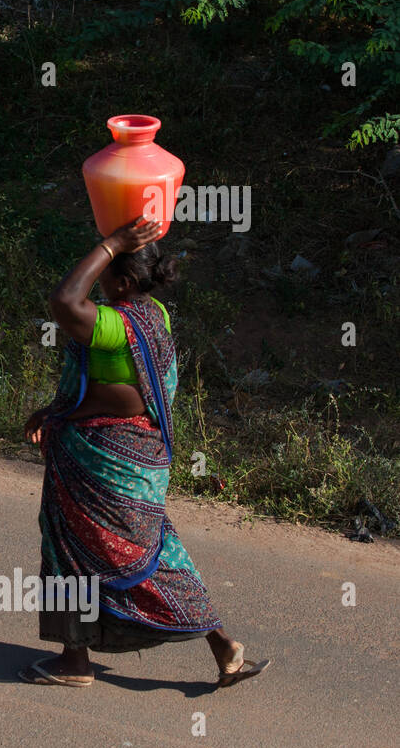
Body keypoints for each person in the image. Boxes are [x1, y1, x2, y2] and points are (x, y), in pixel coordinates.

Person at [17, 215, 270, 689]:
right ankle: (223, 645)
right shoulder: (156, 315)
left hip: (99, 460)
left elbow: (64, 300)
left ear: (124, 280)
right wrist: (56, 409)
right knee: (155, 550)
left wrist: (112, 242)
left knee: (71, 549)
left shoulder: (115, 325)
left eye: (107, 270)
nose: (98, 279)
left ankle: (74, 663)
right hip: (139, 462)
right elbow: (121, 392)